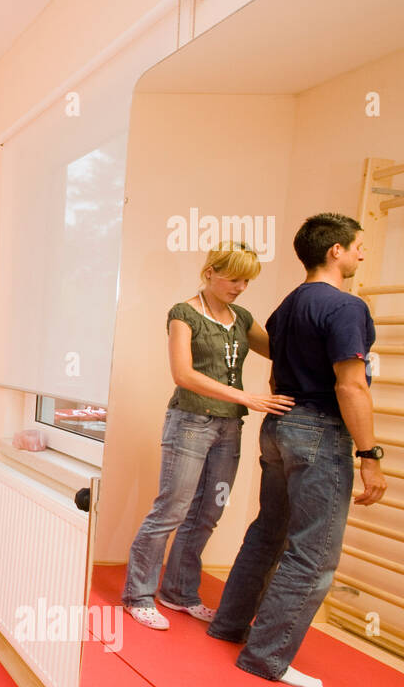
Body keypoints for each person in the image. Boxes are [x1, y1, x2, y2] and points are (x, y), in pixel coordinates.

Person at [208, 213, 387, 687]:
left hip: (280, 427)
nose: (361, 254)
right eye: (358, 246)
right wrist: (370, 456)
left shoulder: (288, 306)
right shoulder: (347, 307)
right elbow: (351, 387)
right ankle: (265, 657)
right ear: (336, 251)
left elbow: (275, 375)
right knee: (313, 554)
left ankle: (229, 625)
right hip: (320, 432)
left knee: (269, 532)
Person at [122, 242, 294, 629]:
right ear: (210, 272)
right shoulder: (183, 314)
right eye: (234, 278)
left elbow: (281, 351)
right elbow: (183, 374)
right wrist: (245, 396)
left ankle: (179, 593)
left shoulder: (242, 318)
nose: (240, 287)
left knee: (208, 513)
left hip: (229, 427)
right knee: (172, 509)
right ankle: (138, 595)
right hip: (190, 423)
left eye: (247, 280)